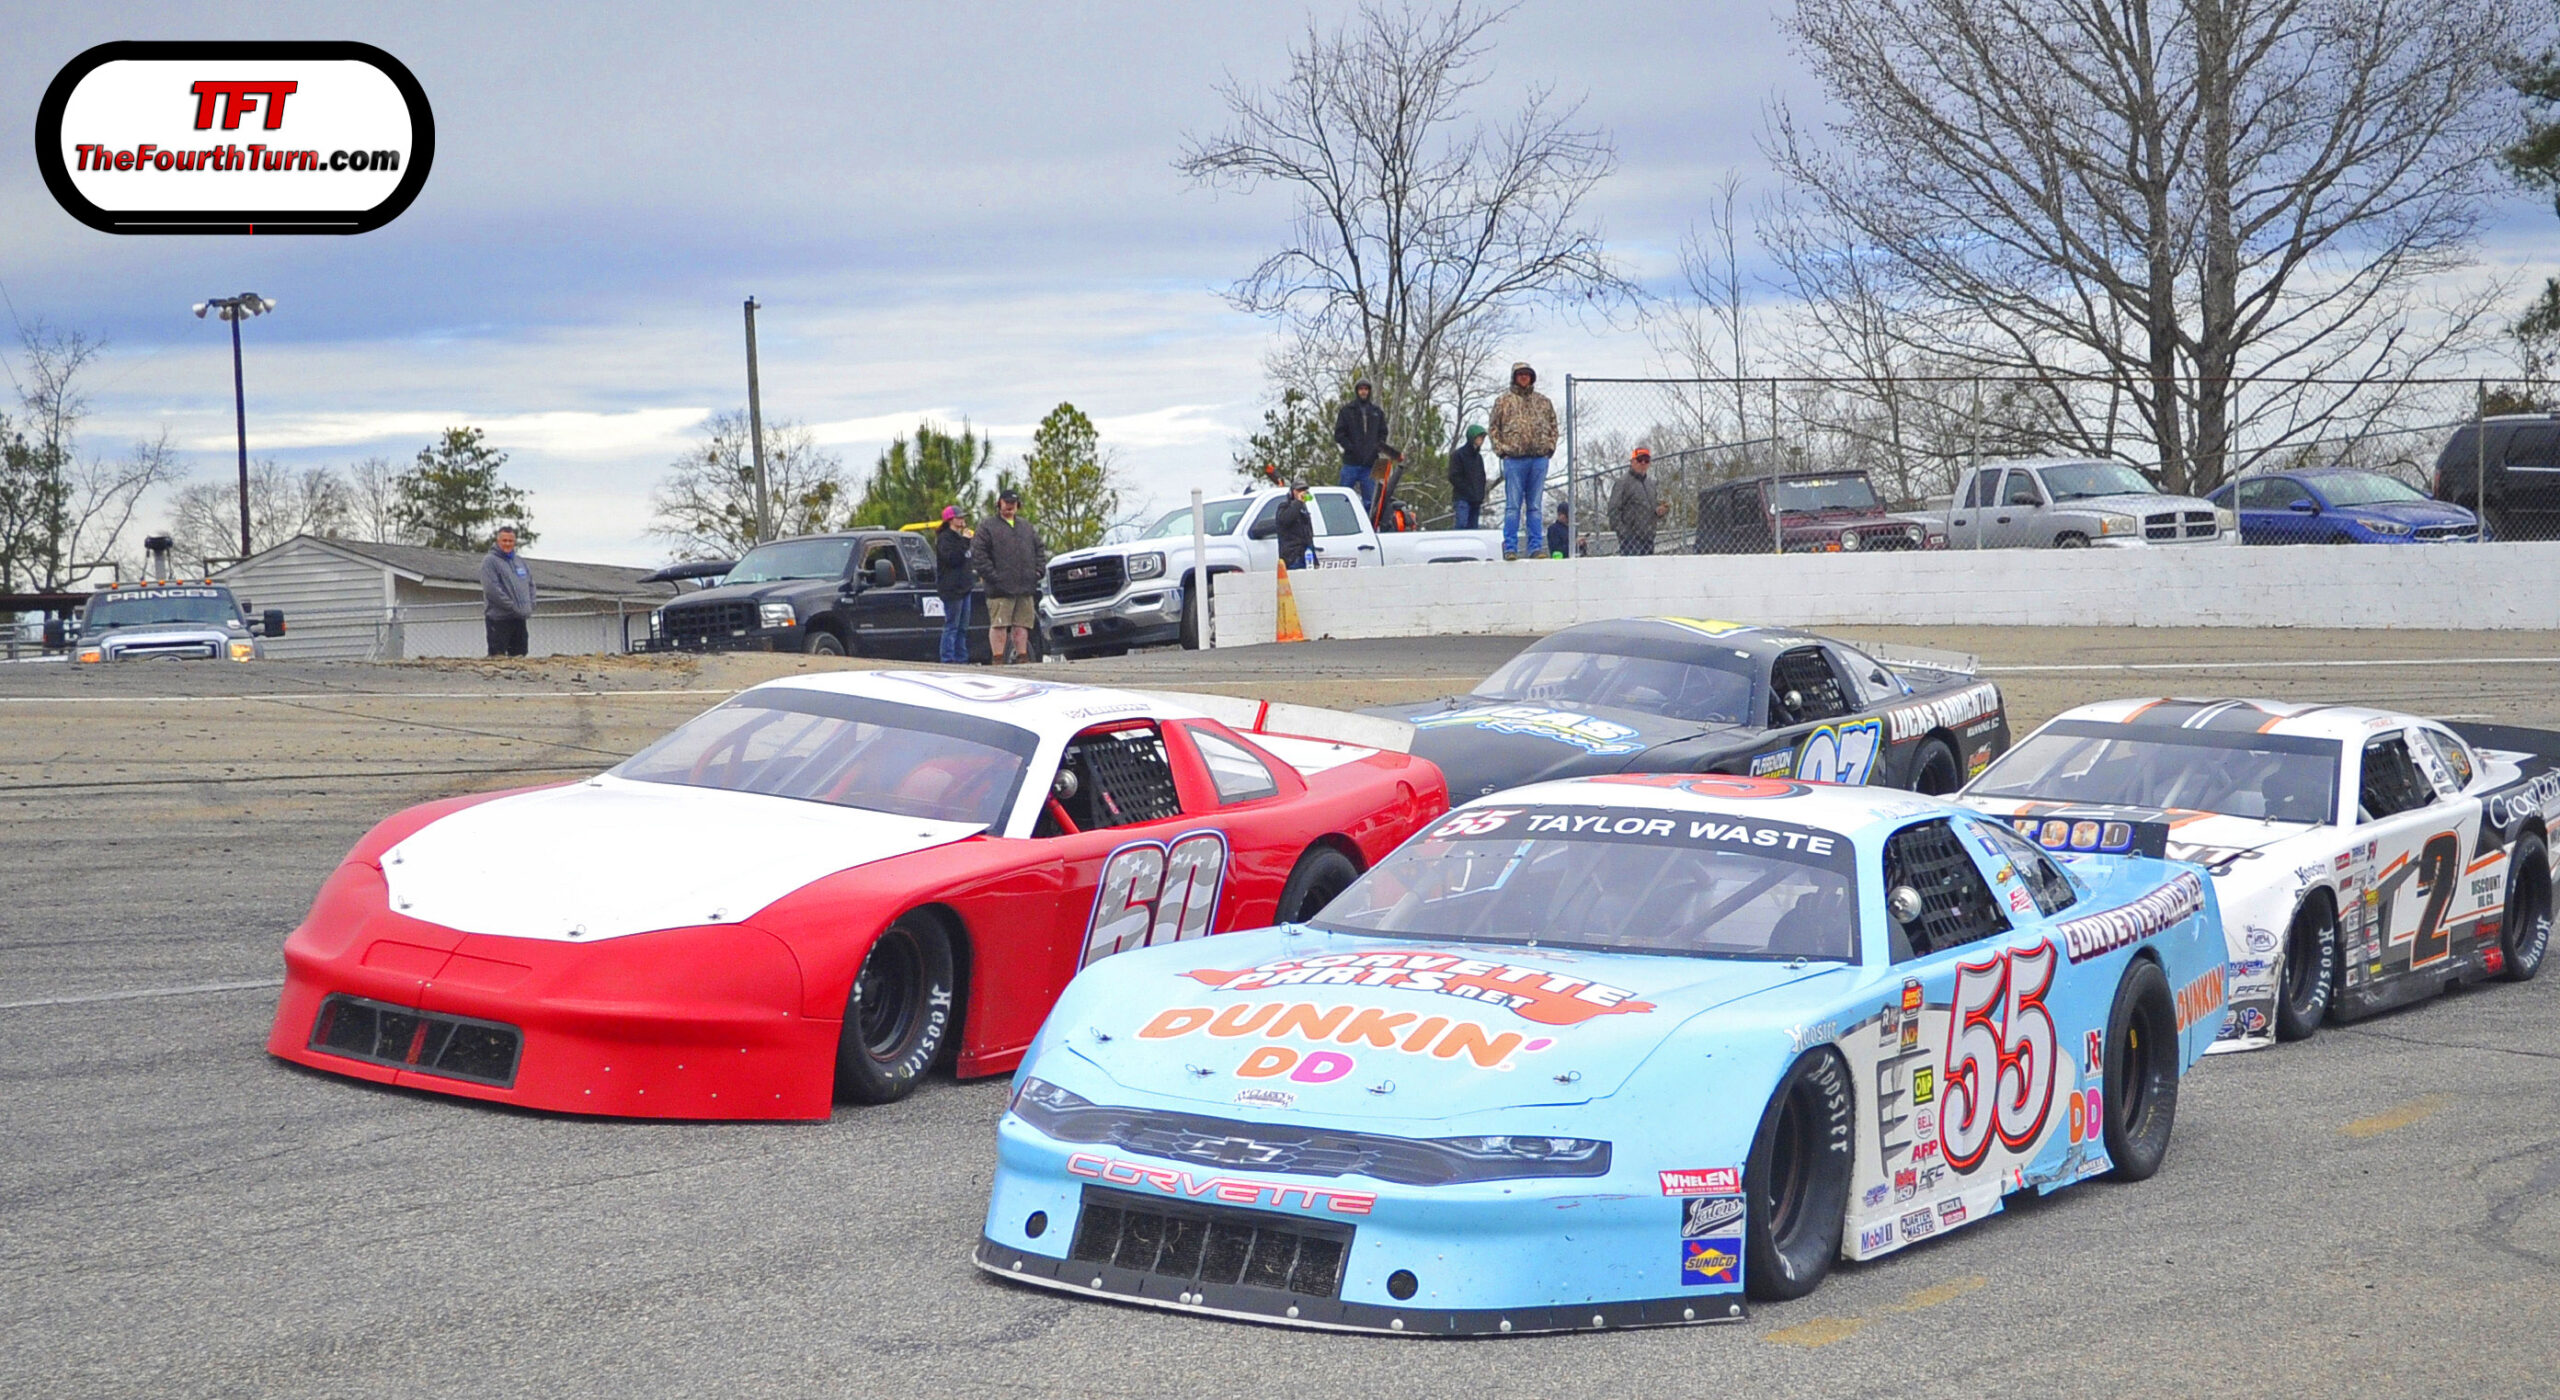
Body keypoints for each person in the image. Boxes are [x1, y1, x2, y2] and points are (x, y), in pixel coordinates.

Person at [1487, 361, 1558, 560]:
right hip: (1514, 460)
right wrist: (1502, 451)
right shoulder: (1503, 401)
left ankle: (1535, 547)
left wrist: (1549, 448)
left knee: (1535, 506)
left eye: (1528, 374)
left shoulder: (1543, 402)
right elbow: (1493, 428)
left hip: (1538, 460)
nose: (1524, 377)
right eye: (1520, 374)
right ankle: (1510, 547)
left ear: (1532, 377)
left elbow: (1554, 426)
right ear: (1514, 377)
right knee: (1512, 506)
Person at [970, 489, 1047, 664]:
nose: (1009, 507)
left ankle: (1022, 657)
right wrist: (994, 577)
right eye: (1006, 503)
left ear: (1017, 505)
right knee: (999, 625)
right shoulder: (987, 527)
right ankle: (998, 659)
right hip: (999, 589)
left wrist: (1038, 572)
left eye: (1013, 504)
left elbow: (1039, 550)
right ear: (999, 504)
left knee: (1022, 626)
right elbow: (979, 555)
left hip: (1025, 587)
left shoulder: (1026, 527)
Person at [1333, 378, 1388, 511]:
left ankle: (1370, 527)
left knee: (1371, 501)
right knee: (1342, 498)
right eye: (1361, 389)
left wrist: (1375, 449)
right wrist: (1351, 448)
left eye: (1366, 389)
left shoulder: (1377, 412)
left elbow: (1383, 433)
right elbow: (1339, 434)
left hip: (1371, 464)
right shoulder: (1347, 411)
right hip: (1351, 463)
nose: (1363, 392)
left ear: (1369, 391)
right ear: (1357, 391)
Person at [480, 525, 535, 657]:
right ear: (498, 541)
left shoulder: (520, 562)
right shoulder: (490, 561)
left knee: (520, 655)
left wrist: (530, 605)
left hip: (519, 619)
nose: (507, 544)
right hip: (499, 620)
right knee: (498, 657)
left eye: (510, 541)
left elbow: (530, 584)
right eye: (504, 541)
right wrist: (512, 607)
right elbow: (492, 590)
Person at [932, 505, 976, 664]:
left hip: (964, 588)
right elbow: (953, 559)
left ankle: (961, 659)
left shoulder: (960, 538)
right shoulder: (945, 538)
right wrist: (965, 541)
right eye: (959, 517)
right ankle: (948, 659)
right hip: (952, 589)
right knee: (952, 626)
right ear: (950, 520)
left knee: (963, 628)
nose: (962, 520)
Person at [1608, 447, 1668, 556]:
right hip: (1631, 540)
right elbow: (1613, 510)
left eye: (1646, 460)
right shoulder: (1622, 483)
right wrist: (1625, 534)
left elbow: (1651, 507)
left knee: (1647, 570)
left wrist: (1658, 511)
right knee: (1632, 571)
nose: (1643, 463)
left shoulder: (1651, 484)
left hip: (1648, 537)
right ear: (1632, 462)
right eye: (1640, 460)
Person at [1448, 424, 1488, 530]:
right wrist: (1467, 490)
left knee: (1473, 529)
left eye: (1483, 437)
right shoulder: (1459, 455)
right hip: (1462, 498)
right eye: (1479, 437)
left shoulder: (1478, 458)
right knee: (1461, 525)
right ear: (1472, 437)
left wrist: (1481, 495)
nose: (1482, 440)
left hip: (1476, 500)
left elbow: (1482, 478)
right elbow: (1453, 476)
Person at [1275, 478, 1317, 569]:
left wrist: (1315, 560)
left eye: (1305, 490)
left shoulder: (1303, 510)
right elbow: (1286, 520)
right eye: (1299, 490)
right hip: (1292, 558)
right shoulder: (1284, 507)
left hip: (1306, 556)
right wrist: (1298, 502)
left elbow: (1308, 536)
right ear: (1292, 492)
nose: (1303, 493)